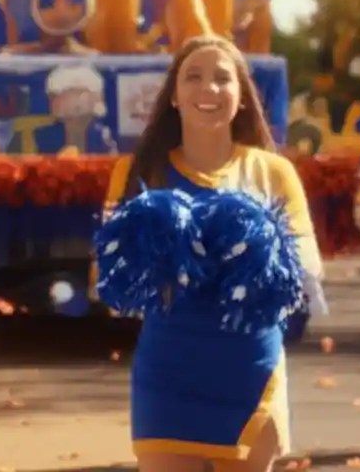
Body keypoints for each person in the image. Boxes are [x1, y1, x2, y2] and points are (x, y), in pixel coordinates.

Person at [98, 36, 325, 472]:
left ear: (241, 98)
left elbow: (307, 271)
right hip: (168, 372)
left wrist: (256, 256)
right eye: (194, 77)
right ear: (174, 97)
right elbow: (108, 282)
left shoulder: (273, 171)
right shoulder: (137, 173)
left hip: (250, 371)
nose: (209, 89)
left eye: (223, 79)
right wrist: (162, 254)